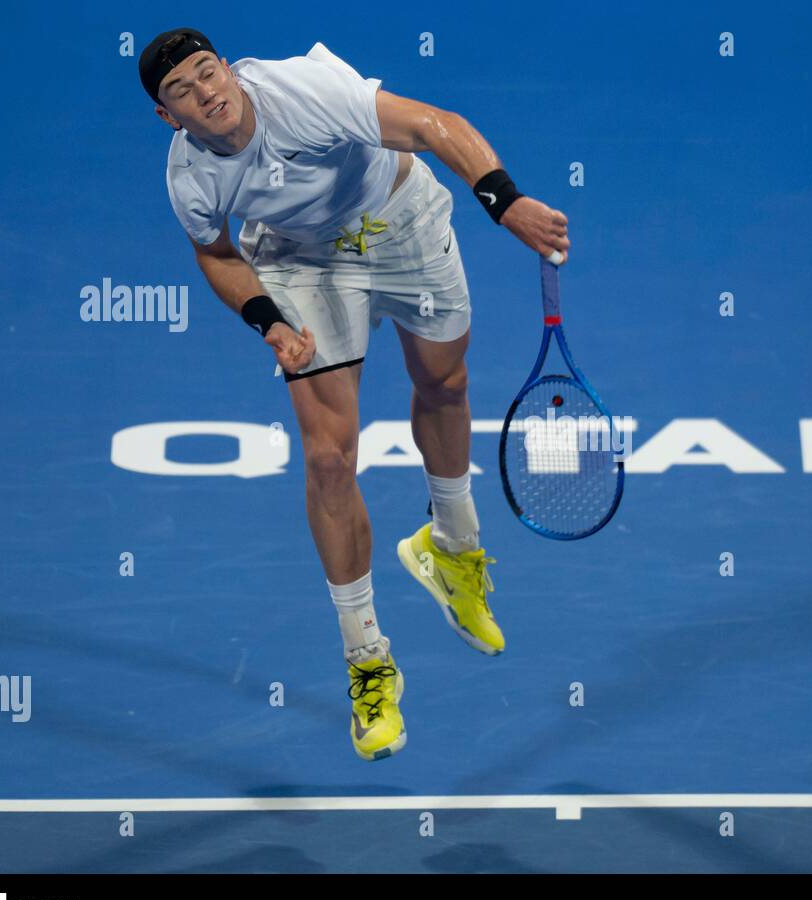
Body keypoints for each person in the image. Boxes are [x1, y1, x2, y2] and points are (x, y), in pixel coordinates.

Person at [139, 28, 570, 760]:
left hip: (401, 218)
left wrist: (505, 202)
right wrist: (267, 319)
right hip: (302, 260)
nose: (204, 93)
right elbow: (215, 250)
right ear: (168, 115)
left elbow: (436, 126)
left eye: (207, 73)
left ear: (227, 69)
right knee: (329, 459)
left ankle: (452, 548)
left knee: (444, 382)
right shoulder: (190, 176)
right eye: (181, 91)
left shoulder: (303, 93)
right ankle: (368, 659)